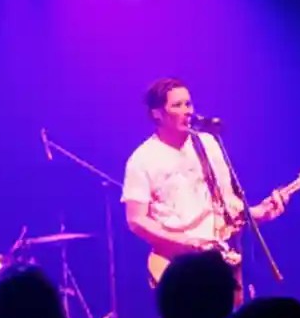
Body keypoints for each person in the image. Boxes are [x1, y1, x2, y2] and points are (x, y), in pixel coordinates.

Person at [122, 78, 285, 288]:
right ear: (157, 113)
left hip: (219, 256)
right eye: (177, 105)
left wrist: (257, 213)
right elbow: (136, 220)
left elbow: (228, 202)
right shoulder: (143, 159)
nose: (187, 111)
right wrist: (185, 241)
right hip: (178, 263)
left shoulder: (207, 143)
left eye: (188, 104)